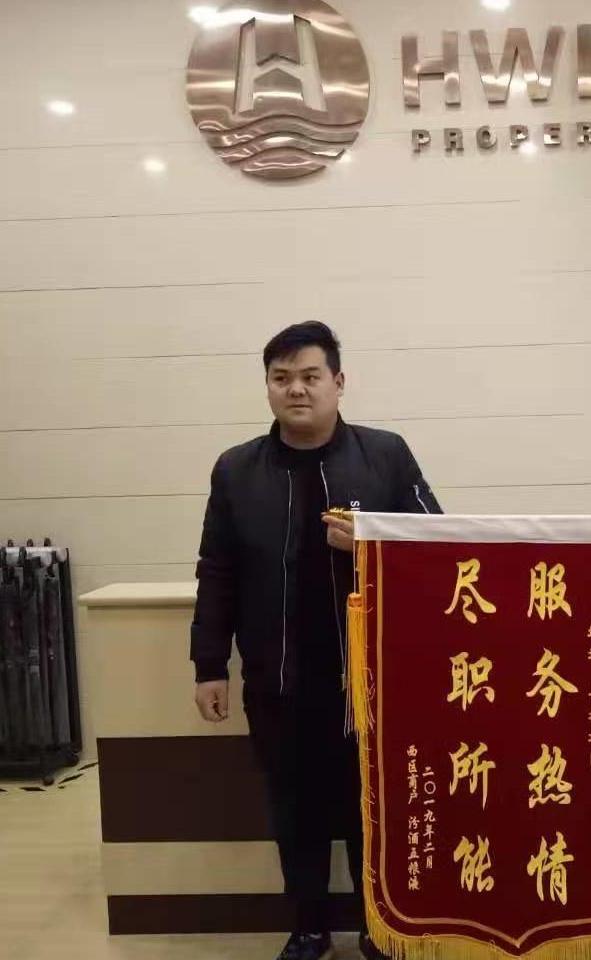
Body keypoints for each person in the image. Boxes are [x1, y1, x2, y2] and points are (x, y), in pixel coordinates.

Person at [190, 321, 441, 960]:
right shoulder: (236, 470)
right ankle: (308, 929)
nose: (296, 390)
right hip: (279, 679)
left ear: (338, 382)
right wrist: (209, 663)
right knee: (293, 810)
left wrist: (374, 540)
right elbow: (217, 570)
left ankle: (380, 928)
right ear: (268, 387)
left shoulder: (386, 455)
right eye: (281, 378)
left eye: (309, 376)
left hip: (372, 679)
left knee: (372, 808)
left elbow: (440, 547)